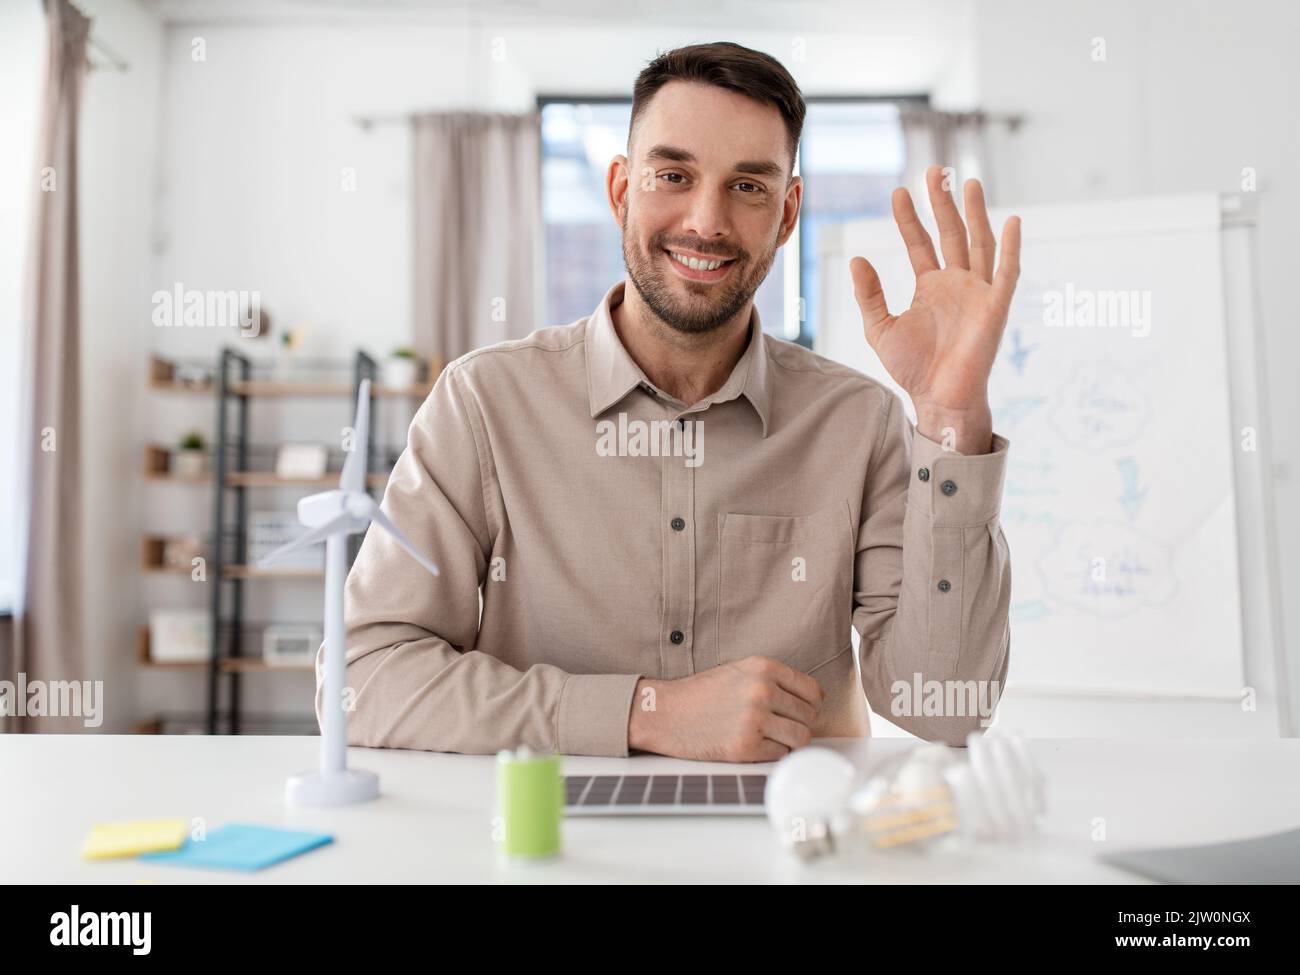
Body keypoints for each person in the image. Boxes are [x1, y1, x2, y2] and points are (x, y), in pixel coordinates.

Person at [324, 41, 1019, 761]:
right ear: (623, 189)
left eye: (749, 186)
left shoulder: (860, 424)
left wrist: (951, 422)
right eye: (673, 174)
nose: (706, 221)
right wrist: (645, 713)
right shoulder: (482, 405)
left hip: (795, 852)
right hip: (549, 852)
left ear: (787, 215)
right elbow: (361, 677)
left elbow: (943, 708)